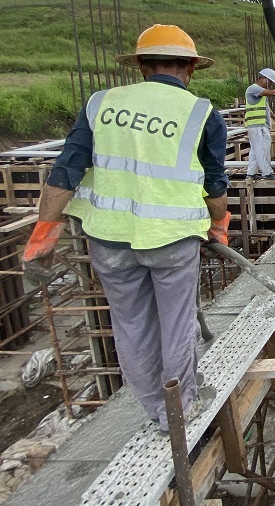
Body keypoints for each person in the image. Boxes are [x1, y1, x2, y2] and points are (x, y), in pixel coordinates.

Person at [21, 24, 227, 432]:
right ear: (190, 67)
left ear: (142, 66)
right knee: (177, 322)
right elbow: (214, 185)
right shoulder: (202, 112)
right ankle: (180, 409)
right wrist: (220, 225)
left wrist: (44, 232)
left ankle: (155, 409)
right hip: (172, 238)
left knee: (131, 323)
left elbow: (66, 171)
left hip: (109, 237)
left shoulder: (101, 104)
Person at [244, 68, 275, 181]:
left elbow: (266, 108)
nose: (271, 85)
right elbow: (273, 93)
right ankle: (267, 173)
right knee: (261, 149)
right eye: (270, 82)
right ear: (263, 78)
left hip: (261, 125)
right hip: (256, 125)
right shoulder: (253, 89)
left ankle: (251, 173)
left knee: (255, 150)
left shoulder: (260, 92)